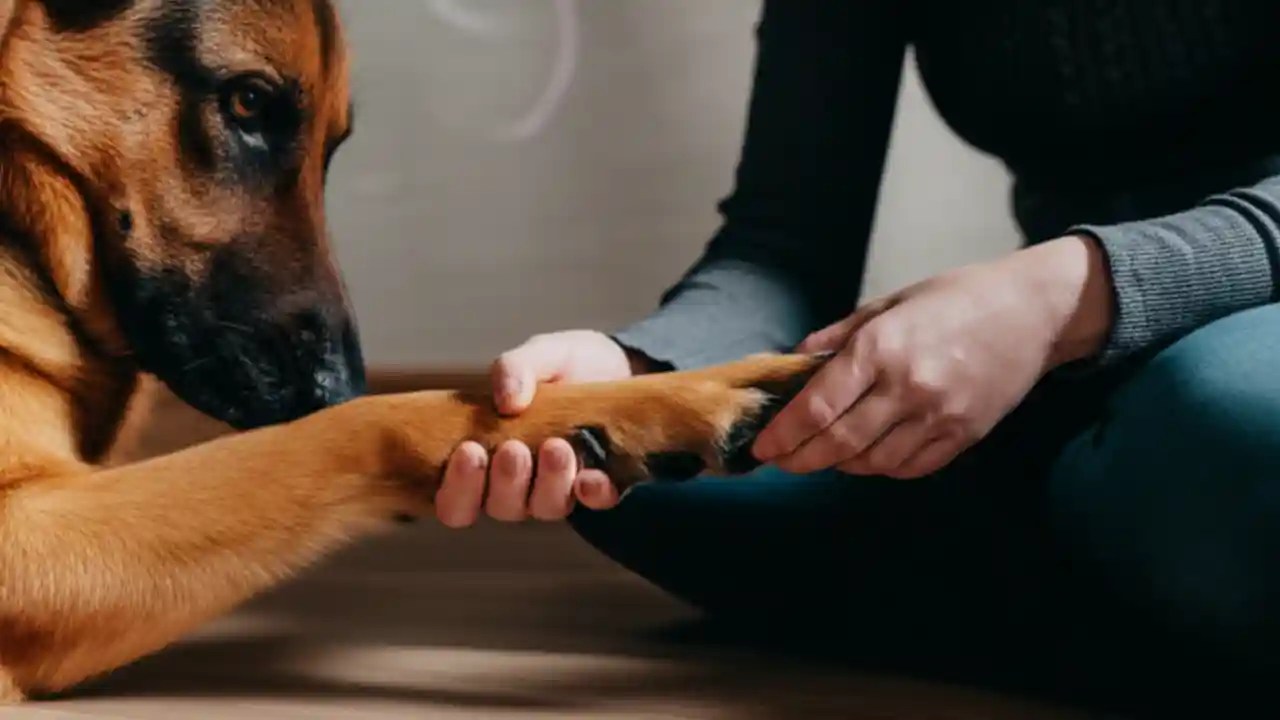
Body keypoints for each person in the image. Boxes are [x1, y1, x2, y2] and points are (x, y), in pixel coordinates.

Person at [435, 0, 1280, 706]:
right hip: (1066, 371)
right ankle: (1163, 574)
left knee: (1218, 423)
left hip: (1240, 335)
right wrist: (640, 373)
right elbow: (781, 249)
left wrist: (1060, 294)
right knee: (633, 482)